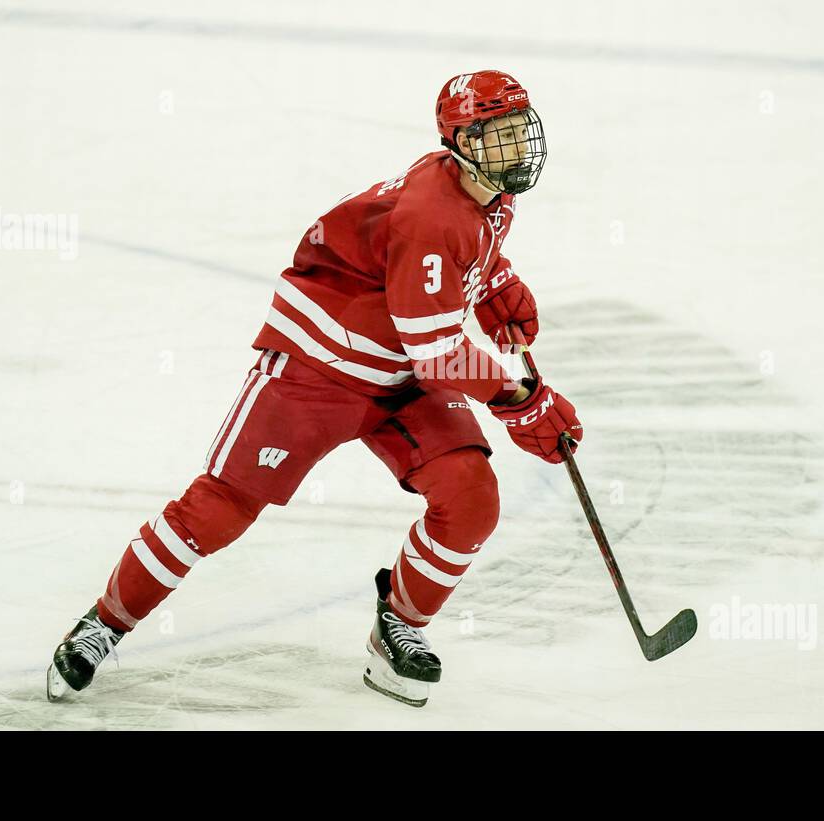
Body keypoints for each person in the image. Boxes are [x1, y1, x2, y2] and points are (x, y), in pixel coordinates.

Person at [46, 70, 582, 708]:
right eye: (498, 135)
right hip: (319, 370)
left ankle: (400, 628)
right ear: (459, 140)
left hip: (400, 373)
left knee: (470, 498)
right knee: (218, 508)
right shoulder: (429, 215)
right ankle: (103, 624)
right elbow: (438, 353)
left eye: (520, 130)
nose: (516, 148)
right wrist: (523, 401)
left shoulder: (487, 187)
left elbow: (466, 262)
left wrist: (494, 285)